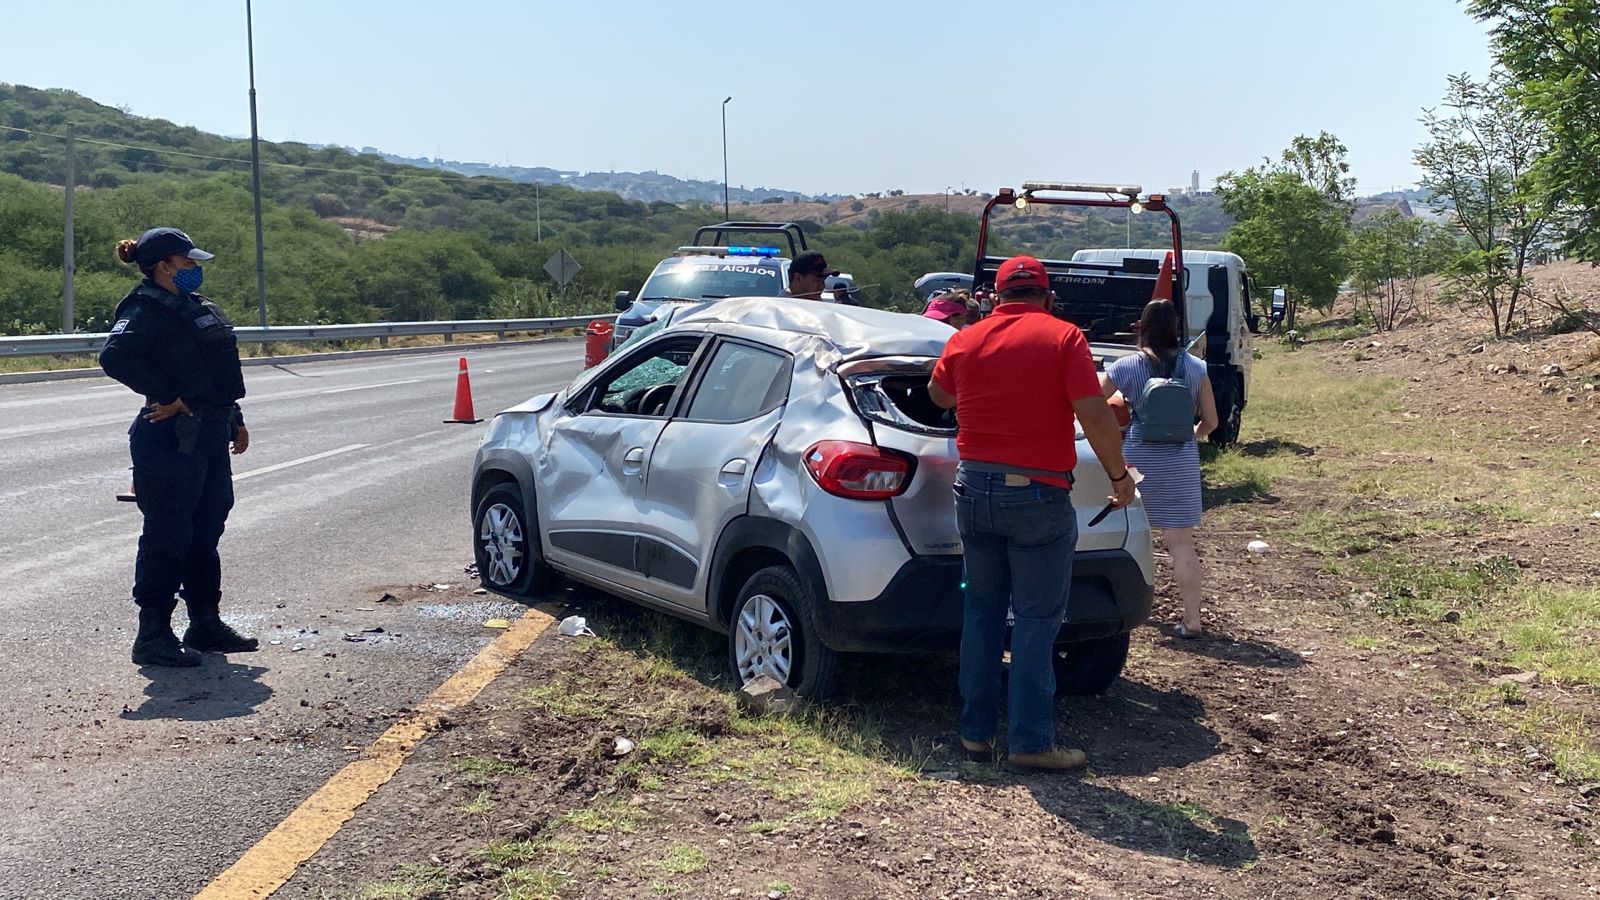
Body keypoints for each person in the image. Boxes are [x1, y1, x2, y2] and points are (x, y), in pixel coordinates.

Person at [928, 256, 1136, 773]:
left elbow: (937, 394)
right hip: (1038, 493)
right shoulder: (1064, 337)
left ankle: (976, 735)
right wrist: (1119, 477)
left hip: (973, 489)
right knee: (1036, 620)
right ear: (1047, 295)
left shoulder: (965, 339)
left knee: (981, 613)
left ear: (996, 297)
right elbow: (1093, 413)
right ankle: (1031, 742)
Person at [100, 227, 258, 668]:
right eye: (187, 262)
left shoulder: (194, 306)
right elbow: (114, 357)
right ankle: (152, 635)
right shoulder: (145, 308)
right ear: (164, 266)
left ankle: (205, 623)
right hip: (170, 439)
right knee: (168, 535)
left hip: (209, 431)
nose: (194, 268)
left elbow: (215, 369)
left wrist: (234, 419)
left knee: (205, 531)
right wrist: (169, 395)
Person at [1100, 298, 1218, 638]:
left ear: (1143, 327)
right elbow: (1211, 421)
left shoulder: (1127, 366)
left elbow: (1093, 403)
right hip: (1180, 463)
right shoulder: (1196, 368)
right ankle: (1192, 620)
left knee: (1123, 531)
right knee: (1181, 544)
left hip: (1137, 461)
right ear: (1175, 327)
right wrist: (1190, 434)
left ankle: (1121, 607)